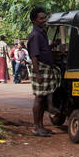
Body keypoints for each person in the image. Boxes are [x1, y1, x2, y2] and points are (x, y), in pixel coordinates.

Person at [27, 8, 57, 137]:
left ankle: (41, 126)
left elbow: (43, 50)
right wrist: (38, 73)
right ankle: (36, 127)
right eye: (41, 18)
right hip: (40, 68)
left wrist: (52, 46)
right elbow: (34, 55)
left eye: (45, 18)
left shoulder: (42, 33)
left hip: (45, 67)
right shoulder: (35, 35)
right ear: (34, 20)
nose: (44, 20)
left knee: (43, 97)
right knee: (39, 97)